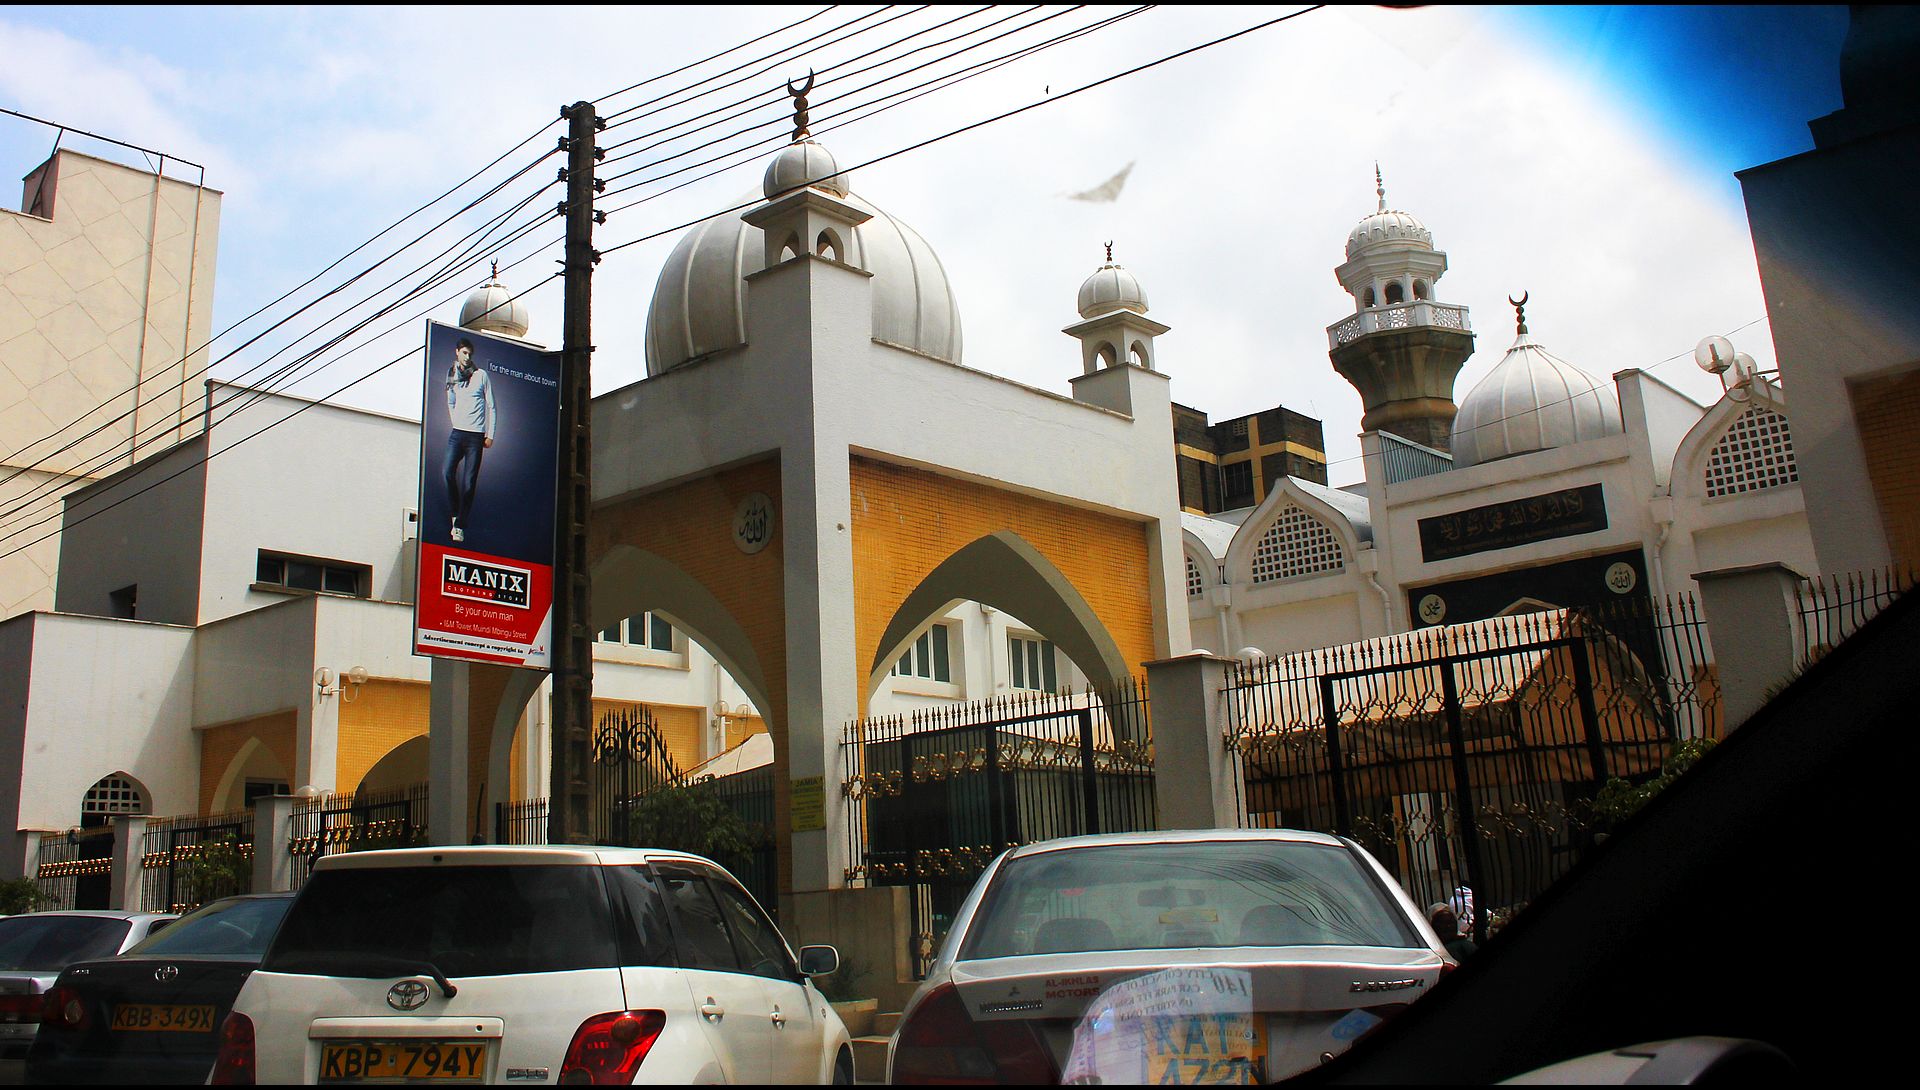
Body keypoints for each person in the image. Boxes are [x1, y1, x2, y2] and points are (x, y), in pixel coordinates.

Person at [442, 338, 496, 543]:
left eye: (469, 354)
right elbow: (450, 400)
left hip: (475, 436)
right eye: (464, 353)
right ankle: (456, 514)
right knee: (446, 472)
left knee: (469, 483)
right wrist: (455, 420)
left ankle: (460, 526)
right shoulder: (451, 374)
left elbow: (491, 405)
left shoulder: (481, 375)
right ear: (457, 352)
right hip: (457, 433)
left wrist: (490, 434)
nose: (467, 357)